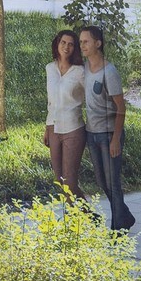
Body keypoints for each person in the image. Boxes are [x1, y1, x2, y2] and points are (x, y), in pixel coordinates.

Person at [78, 25, 134, 231]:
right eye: (81, 41)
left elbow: (121, 108)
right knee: (102, 182)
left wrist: (116, 139)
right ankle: (125, 216)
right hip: (92, 133)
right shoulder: (85, 67)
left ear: (98, 44)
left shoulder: (109, 72)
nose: (81, 45)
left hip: (109, 134)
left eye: (86, 41)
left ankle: (118, 227)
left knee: (113, 183)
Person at [44, 30, 89, 195]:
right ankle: (88, 216)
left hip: (73, 129)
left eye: (71, 44)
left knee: (69, 181)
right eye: (63, 42)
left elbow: (92, 96)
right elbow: (51, 102)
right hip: (53, 128)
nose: (66, 47)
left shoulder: (80, 72)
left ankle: (76, 218)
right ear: (57, 44)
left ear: (75, 48)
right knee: (59, 179)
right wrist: (47, 127)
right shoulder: (50, 68)